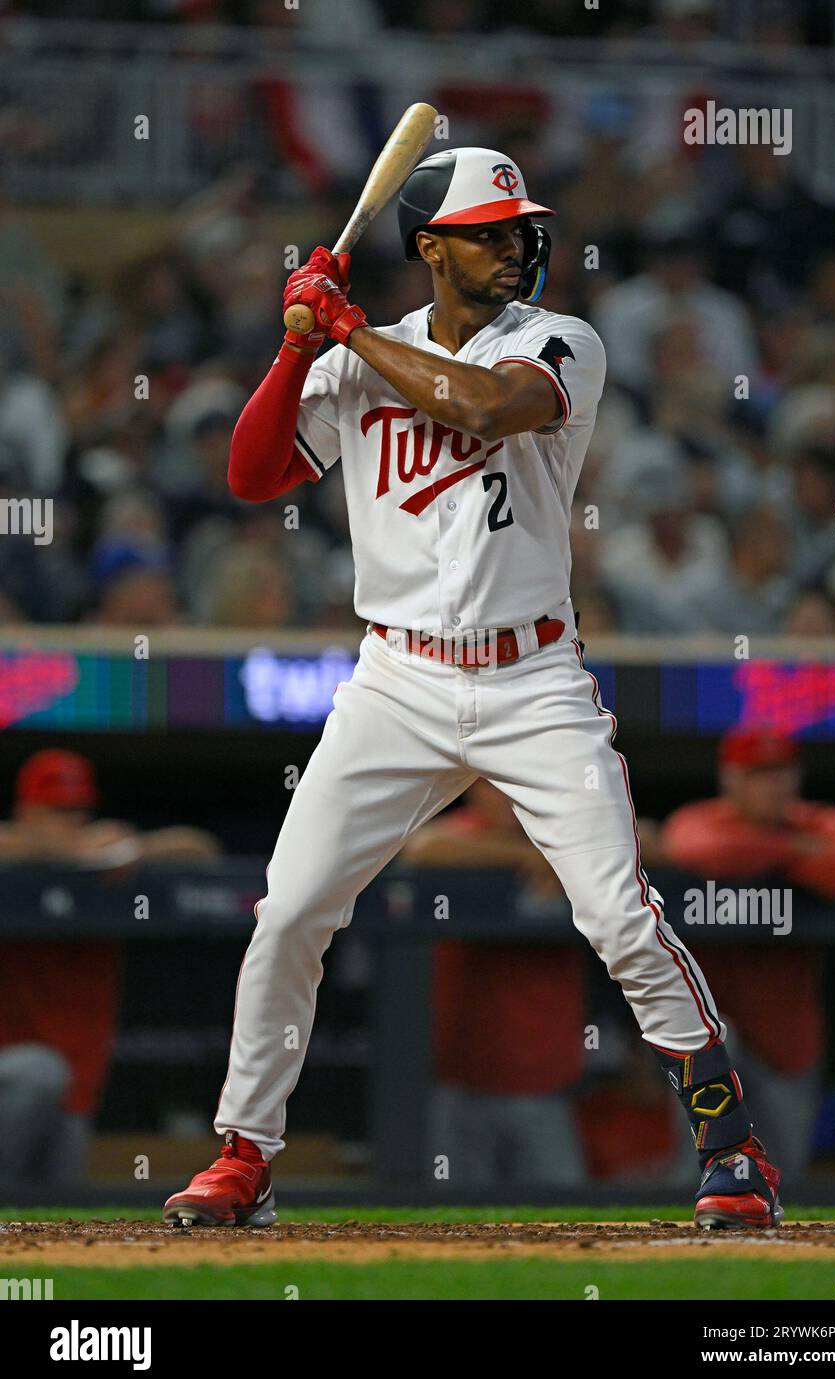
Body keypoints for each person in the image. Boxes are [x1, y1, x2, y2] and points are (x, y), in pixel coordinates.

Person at [165, 146, 782, 1231]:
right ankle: (244, 1152)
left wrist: (345, 331)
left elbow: (492, 410)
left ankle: (733, 1153)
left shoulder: (558, 342)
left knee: (617, 917)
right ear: (430, 247)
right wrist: (295, 343)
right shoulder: (359, 359)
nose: (515, 245)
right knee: (291, 910)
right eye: (489, 230)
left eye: (518, 229)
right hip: (393, 675)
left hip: (530, 674)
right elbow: (253, 473)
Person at [657, 728, 835, 1180]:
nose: (773, 786)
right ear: (731, 779)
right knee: (696, 1164)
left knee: (784, 1172)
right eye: (759, 775)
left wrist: (778, 852)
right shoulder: (706, 820)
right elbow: (694, 847)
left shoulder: (820, 822)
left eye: (781, 774)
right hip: (716, 1033)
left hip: (789, 1038)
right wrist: (795, 853)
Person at [0, 749, 222, 1183]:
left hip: (76, 1092)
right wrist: (55, 849)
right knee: (39, 1071)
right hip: (13, 1073)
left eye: (77, 811)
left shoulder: (107, 871)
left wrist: (133, 848)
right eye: (56, 811)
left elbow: (201, 848)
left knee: (56, 1217)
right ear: (25, 812)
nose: (70, 822)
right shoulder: (16, 863)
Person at [400, 778, 588, 1189]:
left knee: (567, 1214)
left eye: (515, 784)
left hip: (545, 1082)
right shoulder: (461, 838)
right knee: (452, 1218)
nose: (507, 797)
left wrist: (558, 855)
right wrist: (527, 857)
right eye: (494, 786)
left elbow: (645, 837)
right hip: (461, 1078)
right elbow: (420, 846)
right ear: (474, 790)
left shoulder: (568, 834)